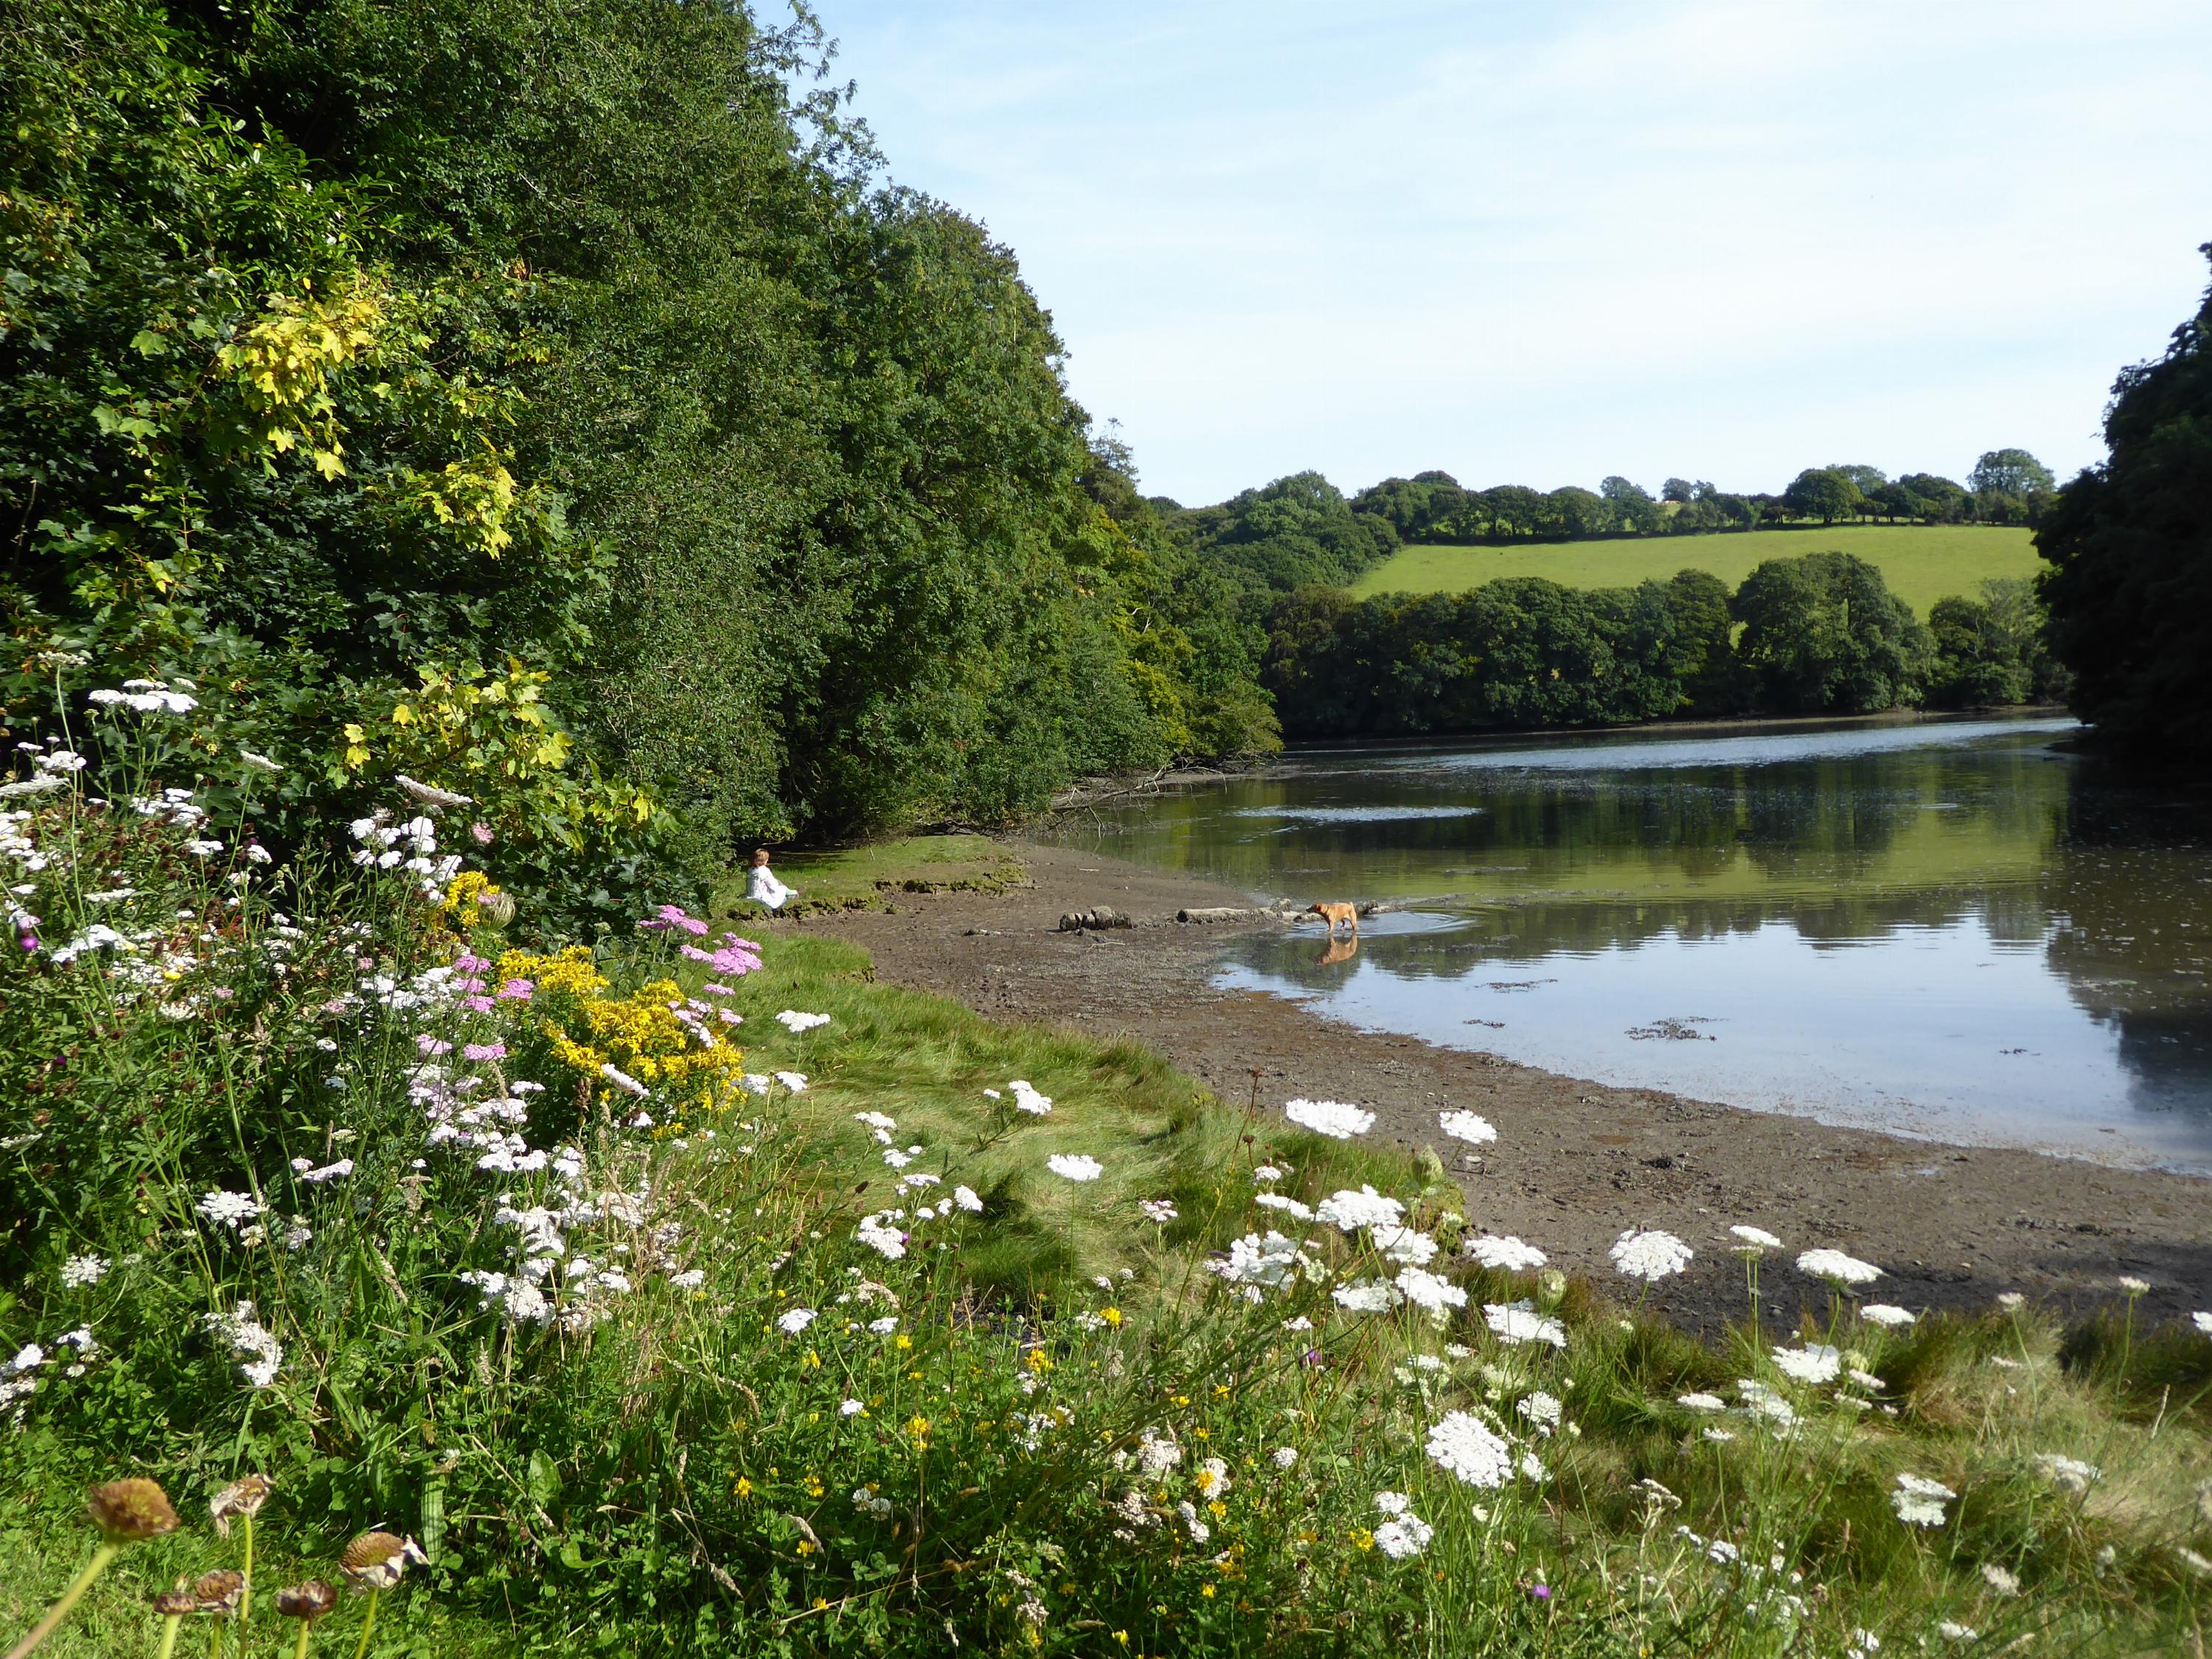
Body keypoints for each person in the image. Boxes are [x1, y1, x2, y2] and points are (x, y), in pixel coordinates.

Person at [745, 847, 798, 911]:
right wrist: (779, 883)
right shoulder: (764, 870)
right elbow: (773, 886)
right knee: (782, 890)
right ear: (763, 860)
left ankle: (790, 892)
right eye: (767, 859)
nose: (767, 860)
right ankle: (790, 894)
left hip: (750, 896)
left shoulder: (750, 870)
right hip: (761, 899)